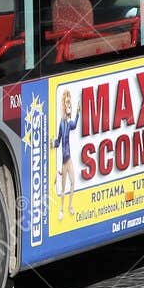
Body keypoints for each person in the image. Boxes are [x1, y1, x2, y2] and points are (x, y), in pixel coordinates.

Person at [52, 89, 79, 218]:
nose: (69, 106)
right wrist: (53, 143)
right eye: (67, 104)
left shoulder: (69, 123)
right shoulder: (62, 124)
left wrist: (78, 113)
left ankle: (70, 206)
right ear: (64, 107)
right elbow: (58, 140)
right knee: (63, 188)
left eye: (70, 105)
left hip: (69, 159)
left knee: (73, 182)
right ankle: (62, 209)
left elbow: (75, 125)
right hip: (64, 161)